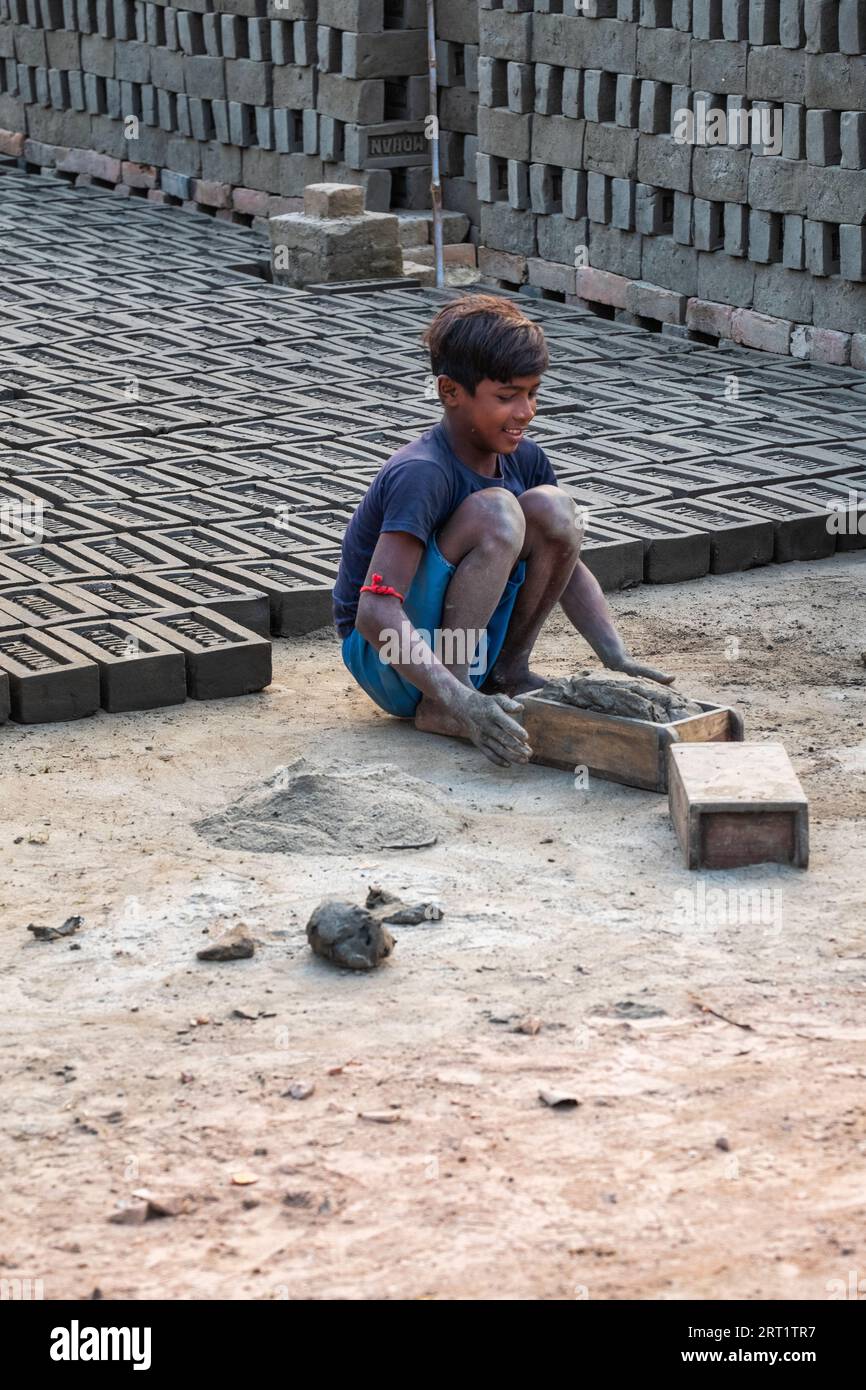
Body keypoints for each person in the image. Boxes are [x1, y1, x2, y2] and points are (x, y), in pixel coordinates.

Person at [333, 294, 672, 767]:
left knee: (555, 509)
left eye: (533, 393)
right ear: (450, 392)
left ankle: (507, 673)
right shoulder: (422, 472)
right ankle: (449, 700)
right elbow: (373, 613)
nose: (526, 411)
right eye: (507, 396)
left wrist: (616, 655)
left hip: (468, 652)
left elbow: (567, 563)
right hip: (390, 659)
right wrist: (458, 698)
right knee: (497, 511)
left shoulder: (525, 459)